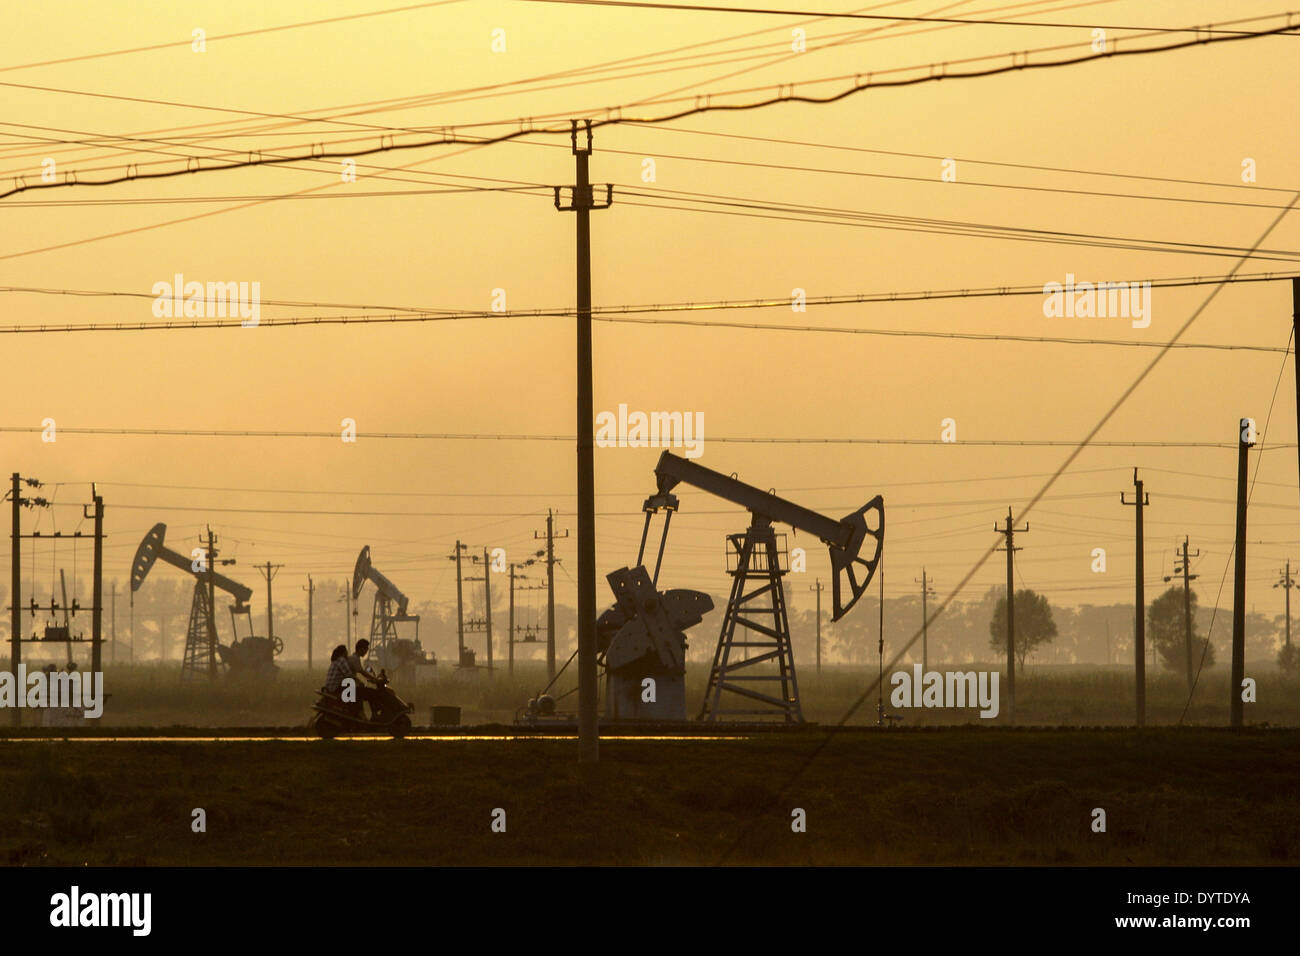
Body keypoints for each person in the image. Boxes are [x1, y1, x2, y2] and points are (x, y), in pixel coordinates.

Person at [346, 639, 387, 720]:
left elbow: (359, 672)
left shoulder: (355, 658)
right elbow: (362, 672)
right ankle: (375, 716)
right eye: (366, 649)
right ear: (360, 649)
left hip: (350, 686)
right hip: (349, 687)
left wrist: (367, 679)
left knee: (366, 691)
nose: (366, 651)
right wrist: (374, 679)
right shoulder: (354, 658)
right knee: (373, 694)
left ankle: (365, 714)